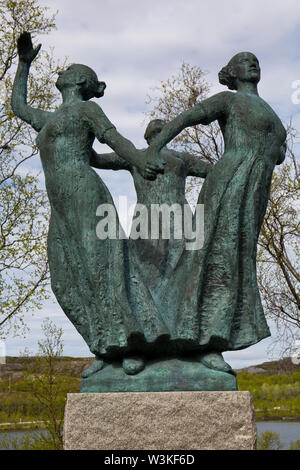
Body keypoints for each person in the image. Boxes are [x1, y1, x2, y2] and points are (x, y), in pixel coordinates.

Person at [11, 32, 167, 377]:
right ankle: (102, 344)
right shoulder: (50, 118)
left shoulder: (87, 109)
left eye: (65, 70)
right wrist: (24, 65)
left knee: (103, 271)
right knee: (64, 278)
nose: (59, 73)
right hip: (61, 204)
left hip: (85, 194)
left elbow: (115, 139)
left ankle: (128, 345)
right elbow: (17, 107)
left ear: (79, 80)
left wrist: (139, 162)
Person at [145, 52, 287, 372]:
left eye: (256, 60)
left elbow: (276, 154)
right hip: (230, 180)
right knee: (215, 258)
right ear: (232, 72)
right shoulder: (229, 100)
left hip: (255, 188)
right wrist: (154, 149)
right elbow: (184, 119)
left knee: (236, 261)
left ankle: (211, 337)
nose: (253, 63)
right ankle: (202, 340)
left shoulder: (272, 113)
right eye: (244, 60)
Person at [90, 118, 212, 330]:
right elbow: (214, 172)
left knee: (165, 272)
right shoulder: (156, 157)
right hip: (160, 218)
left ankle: (170, 328)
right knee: (160, 273)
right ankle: (159, 329)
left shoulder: (160, 157)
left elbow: (97, 159)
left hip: (167, 218)